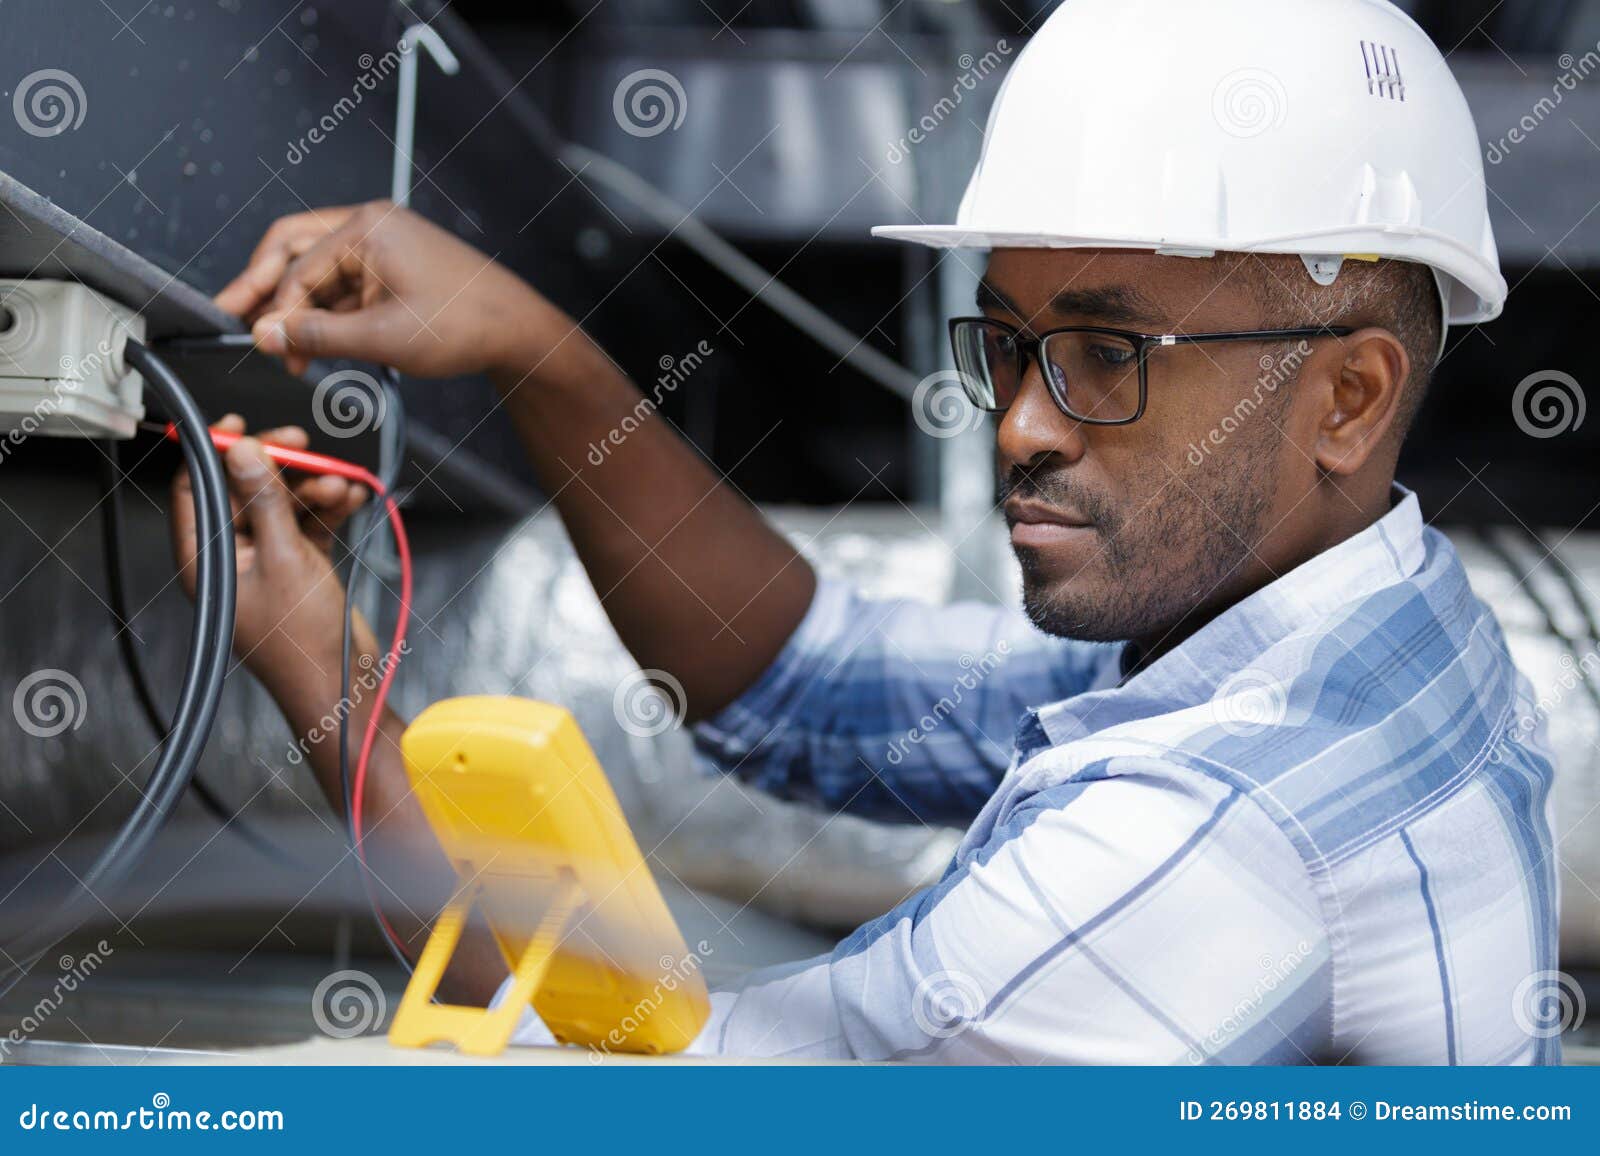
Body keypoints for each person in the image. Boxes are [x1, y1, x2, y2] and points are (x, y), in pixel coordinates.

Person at [175, 0, 1558, 1063]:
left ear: (1348, 394)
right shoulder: (1367, 634)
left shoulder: (1187, 849)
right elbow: (801, 683)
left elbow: (607, 1105)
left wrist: (321, 682)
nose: (1019, 425)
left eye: (1108, 352)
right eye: (1008, 345)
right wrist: (540, 355)